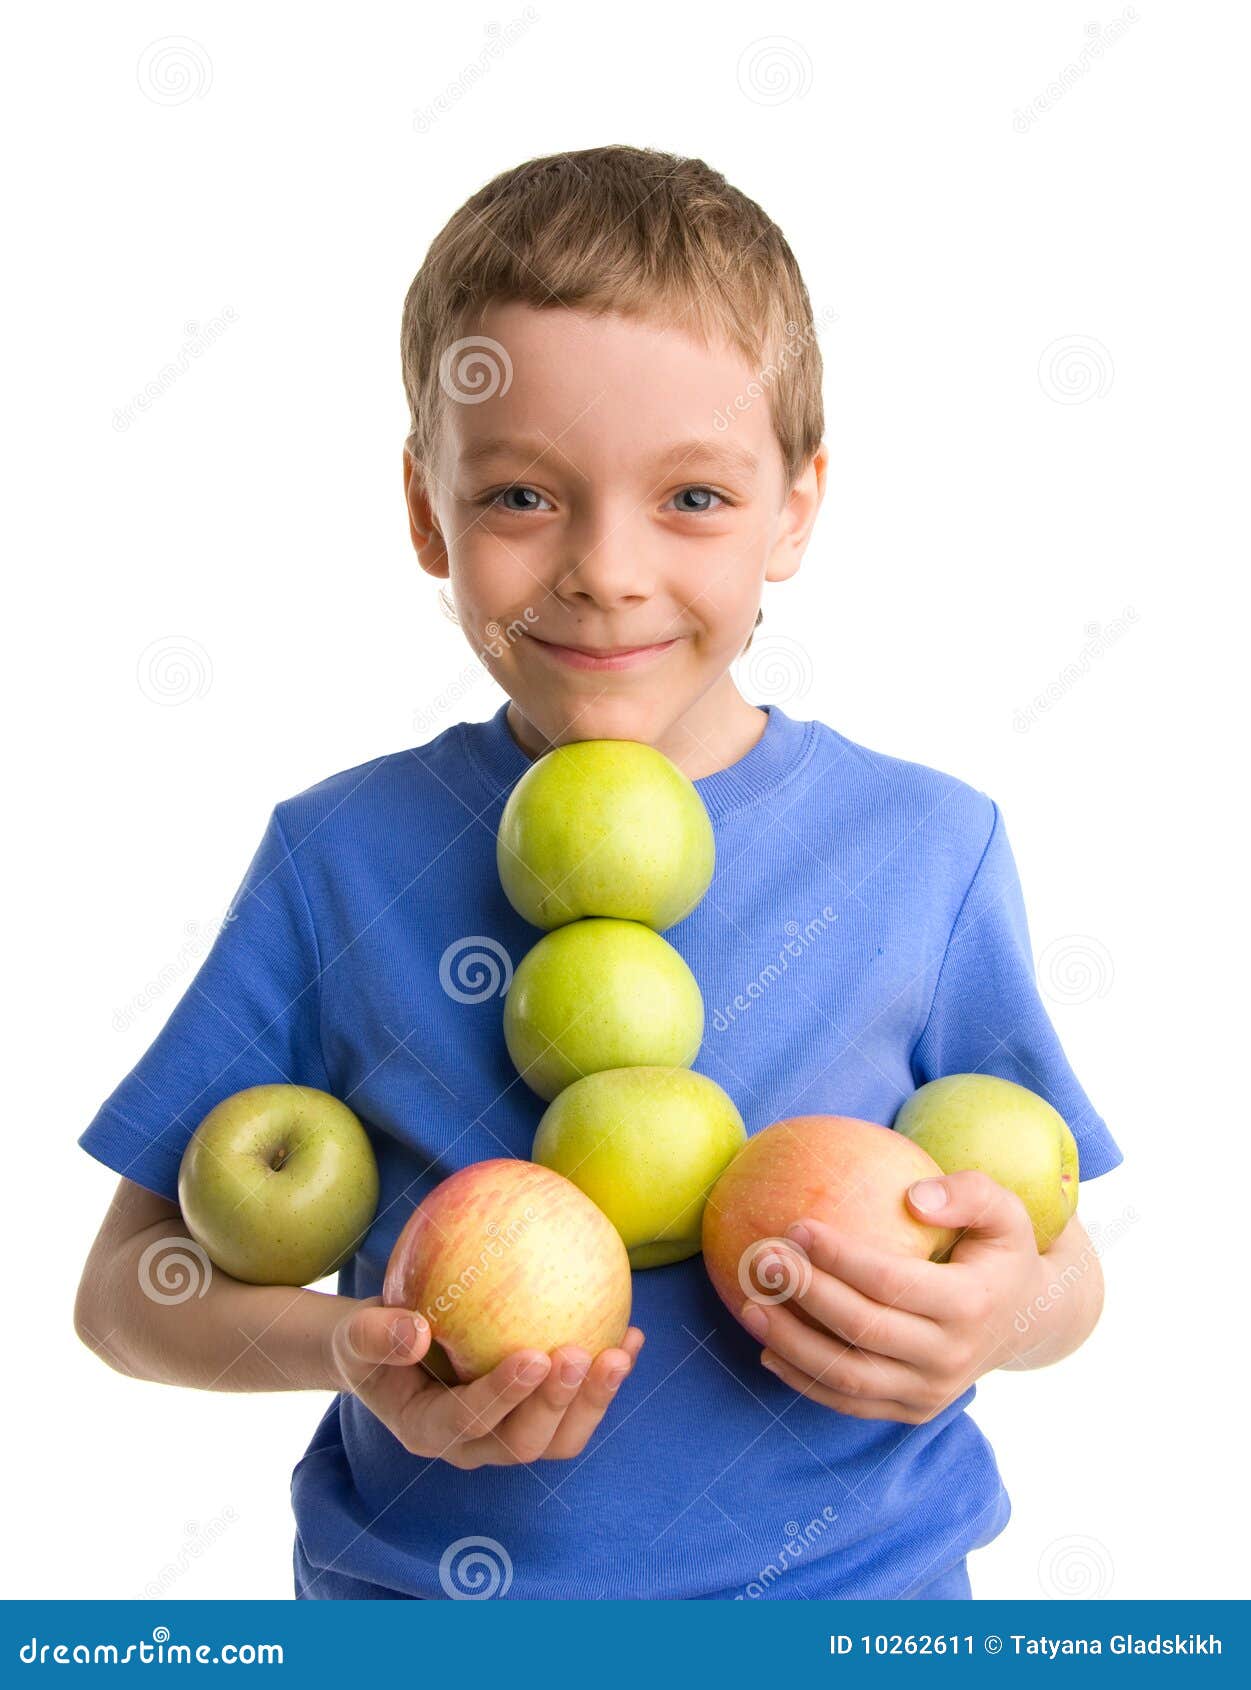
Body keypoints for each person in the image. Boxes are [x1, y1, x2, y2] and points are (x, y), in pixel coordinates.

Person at [74, 144, 1122, 1601]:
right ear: (427, 510)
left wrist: (1002, 1314)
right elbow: (127, 1295)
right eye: (520, 498)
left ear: (797, 511)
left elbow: (1066, 1268)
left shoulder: (926, 847)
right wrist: (359, 1354)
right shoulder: (343, 853)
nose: (604, 569)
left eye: (692, 498)